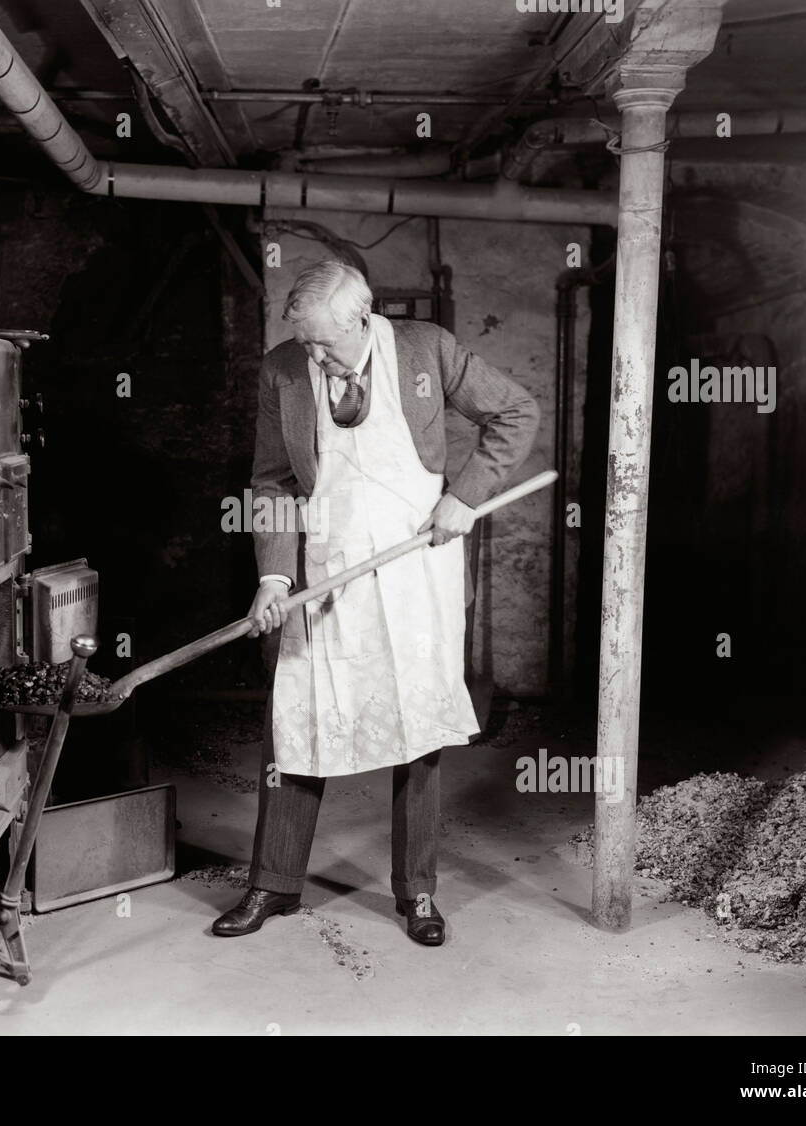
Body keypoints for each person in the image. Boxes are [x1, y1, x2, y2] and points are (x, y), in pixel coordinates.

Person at [212, 259, 539, 946]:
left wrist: (464, 497)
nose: (313, 356)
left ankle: (417, 892)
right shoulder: (283, 370)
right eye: (303, 341)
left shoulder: (427, 350)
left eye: (323, 343)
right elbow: (271, 484)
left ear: (362, 318)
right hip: (326, 573)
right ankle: (273, 883)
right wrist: (274, 577)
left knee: (416, 732)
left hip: (418, 569)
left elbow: (516, 411)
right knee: (299, 722)